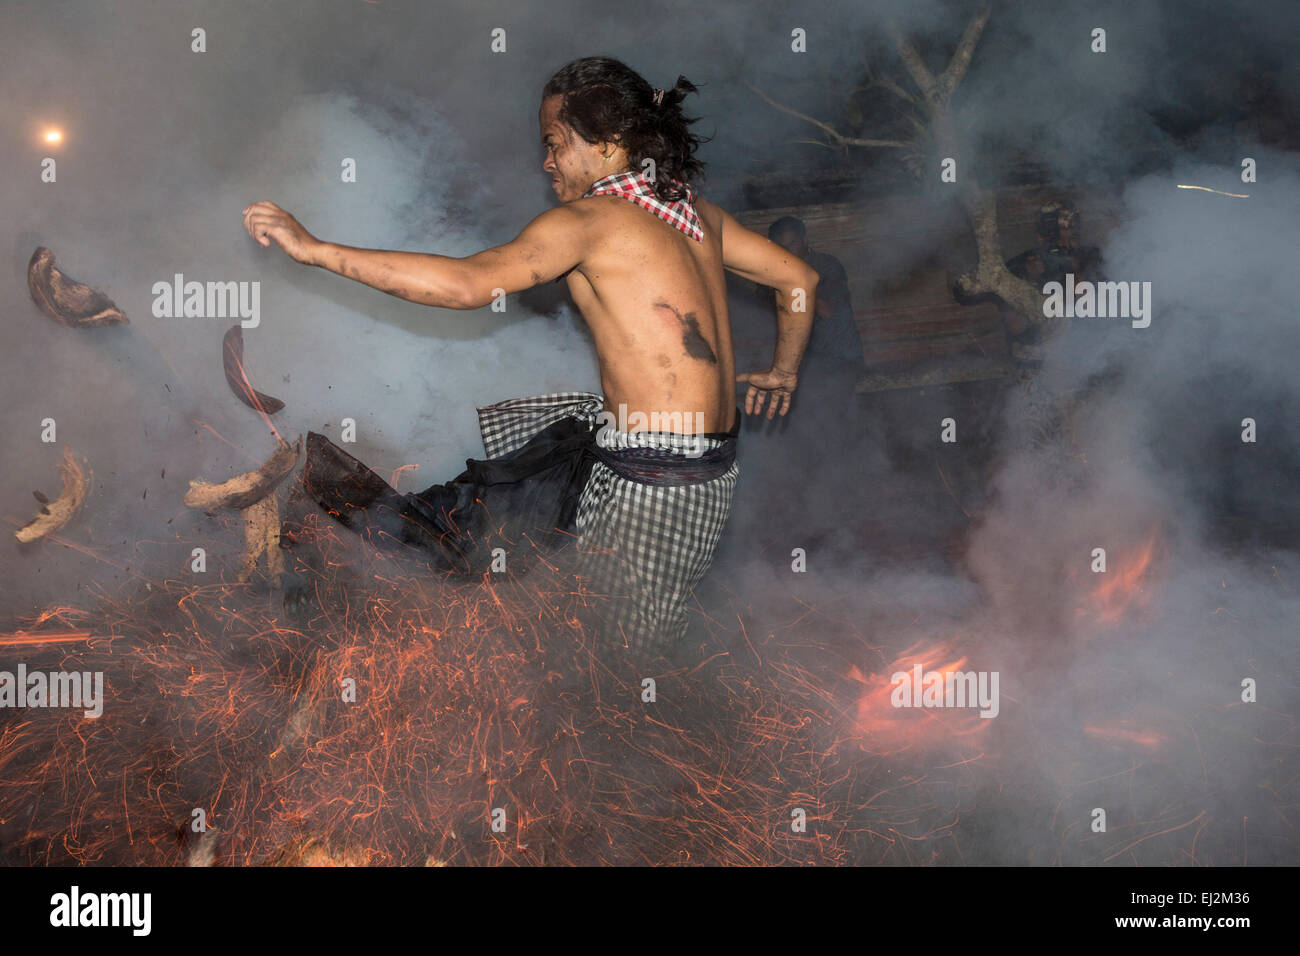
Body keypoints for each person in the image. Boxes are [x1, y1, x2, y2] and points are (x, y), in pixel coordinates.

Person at [241, 56, 818, 651]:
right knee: (540, 468)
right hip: (707, 469)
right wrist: (783, 373)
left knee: (621, 657)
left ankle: (635, 724)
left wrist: (314, 250)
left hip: (658, 483)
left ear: (611, 142)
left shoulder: (593, 221)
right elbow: (799, 280)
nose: (545, 162)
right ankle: (439, 533)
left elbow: (467, 285)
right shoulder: (697, 214)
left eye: (555, 144)